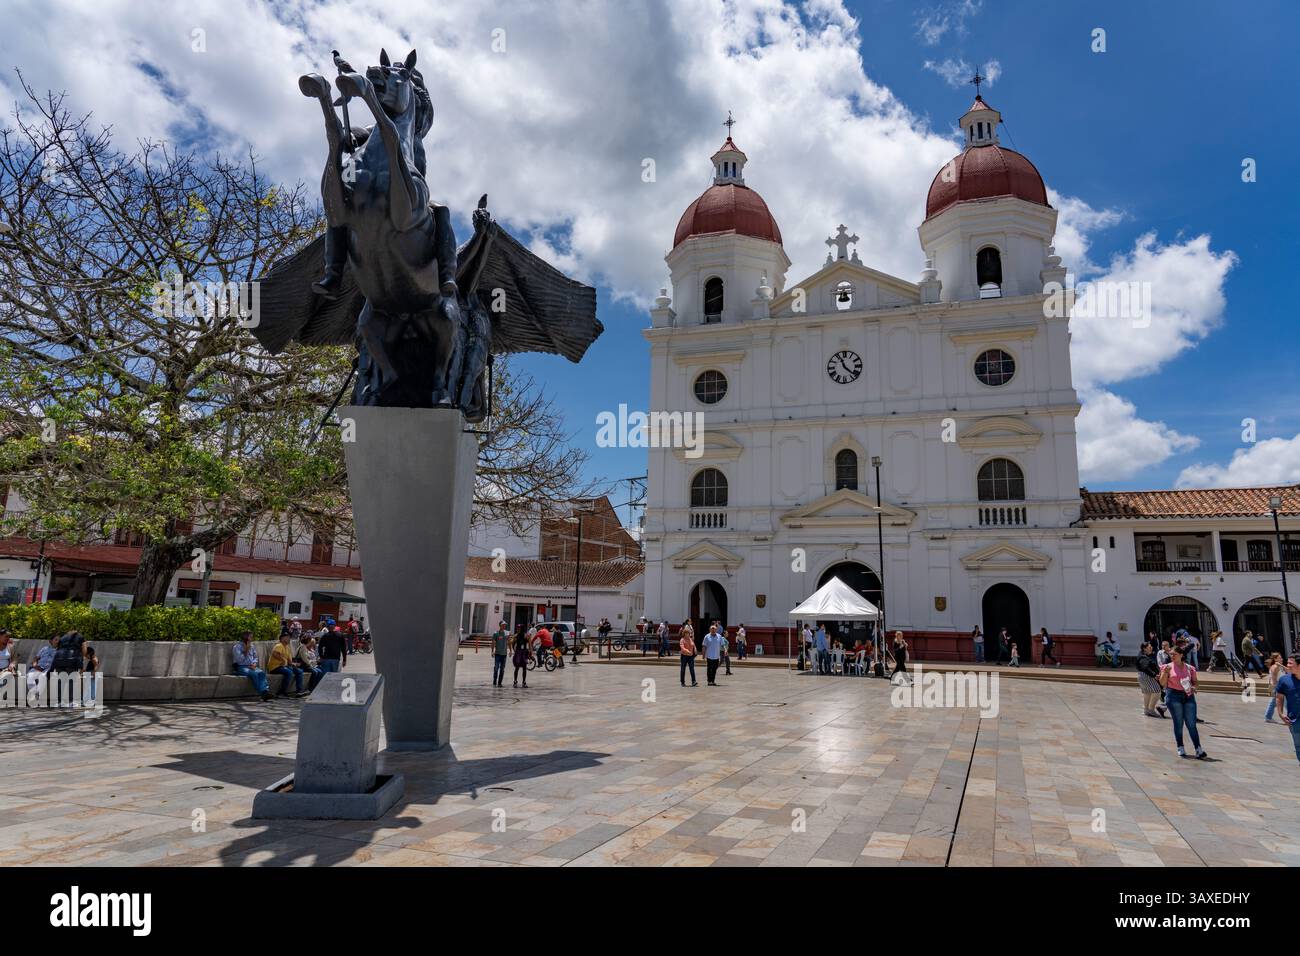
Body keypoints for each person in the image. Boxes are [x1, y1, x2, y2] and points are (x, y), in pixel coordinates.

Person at [1159, 642, 1207, 759]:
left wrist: (1195, 687)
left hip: (1188, 695)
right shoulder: (1167, 667)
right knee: (1178, 722)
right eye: (1171, 654)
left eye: (1174, 654)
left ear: (1181, 655)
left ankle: (1198, 748)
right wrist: (1165, 673)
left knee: (1191, 723)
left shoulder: (1190, 668)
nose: (1172, 656)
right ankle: (1180, 746)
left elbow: (1195, 682)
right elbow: (1162, 683)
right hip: (1173, 695)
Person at [1273, 655, 1300, 764]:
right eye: (1287, 663)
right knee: (1298, 746)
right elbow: (1279, 697)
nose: (1287, 665)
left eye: (1290, 663)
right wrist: (1280, 713)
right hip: (1294, 720)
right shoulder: (1284, 680)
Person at [233, 632, 273, 702]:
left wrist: (254, 663)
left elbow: (255, 657)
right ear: (246, 638)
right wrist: (246, 650)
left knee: (261, 673)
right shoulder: (237, 647)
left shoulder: (252, 646)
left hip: (251, 666)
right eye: (250, 637)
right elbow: (239, 660)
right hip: (241, 667)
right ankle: (263, 693)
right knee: (254, 674)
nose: (252, 639)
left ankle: (265, 691)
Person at [267, 631, 305, 697]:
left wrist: (294, 664)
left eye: (289, 637)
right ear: (282, 639)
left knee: (299, 671)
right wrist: (282, 659)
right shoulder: (279, 645)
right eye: (287, 637)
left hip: (283, 666)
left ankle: (299, 691)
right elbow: (275, 653)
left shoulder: (287, 648)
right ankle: (282, 692)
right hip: (275, 667)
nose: (289, 639)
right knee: (289, 672)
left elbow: (289, 661)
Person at [1135, 641, 1166, 718]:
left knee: (1147, 693)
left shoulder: (1143, 655)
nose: (1151, 648)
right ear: (1144, 648)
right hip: (1146, 676)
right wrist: (1154, 675)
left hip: (1143, 676)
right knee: (1157, 691)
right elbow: (1145, 667)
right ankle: (1151, 709)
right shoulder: (1143, 657)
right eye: (1149, 647)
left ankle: (1146, 710)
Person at [1265, 653, 1284, 722]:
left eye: (1281, 658)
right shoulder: (1275, 667)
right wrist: (1277, 689)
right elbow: (1274, 679)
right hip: (1276, 687)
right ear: (1275, 659)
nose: (1281, 659)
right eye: (1280, 658)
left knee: (1273, 702)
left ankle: (1268, 717)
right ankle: (1268, 717)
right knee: (1273, 702)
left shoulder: (1278, 666)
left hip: (1276, 686)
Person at [490, 620, 510, 686]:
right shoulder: (496, 633)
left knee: (502, 669)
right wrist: (492, 651)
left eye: (505, 625)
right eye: (503, 625)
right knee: (496, 668)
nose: (504, 626)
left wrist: (511, 650)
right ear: (500, 625)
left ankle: (500, 682)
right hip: (497, 654)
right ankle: (495, 680)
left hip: (504, 654)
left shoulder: (507, 633)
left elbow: (509, 642)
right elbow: (493, 643)